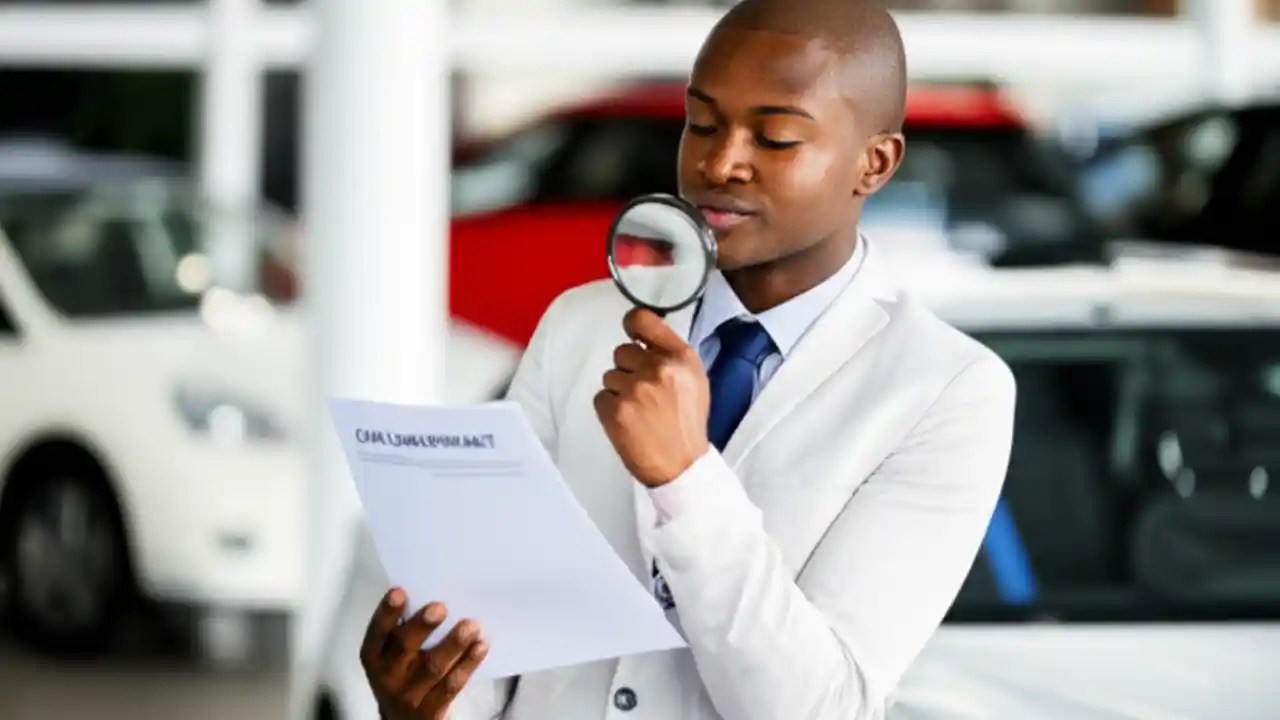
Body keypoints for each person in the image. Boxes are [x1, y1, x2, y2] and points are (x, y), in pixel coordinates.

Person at [359, 0, 1017, 717]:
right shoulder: (581, 324)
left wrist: (684, 477)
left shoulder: (946, 390)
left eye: (775, 137)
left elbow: (823, 706)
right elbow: (503, 637)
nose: (719, 163)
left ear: (875, 162)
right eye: (701, 123)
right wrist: (428, 702)